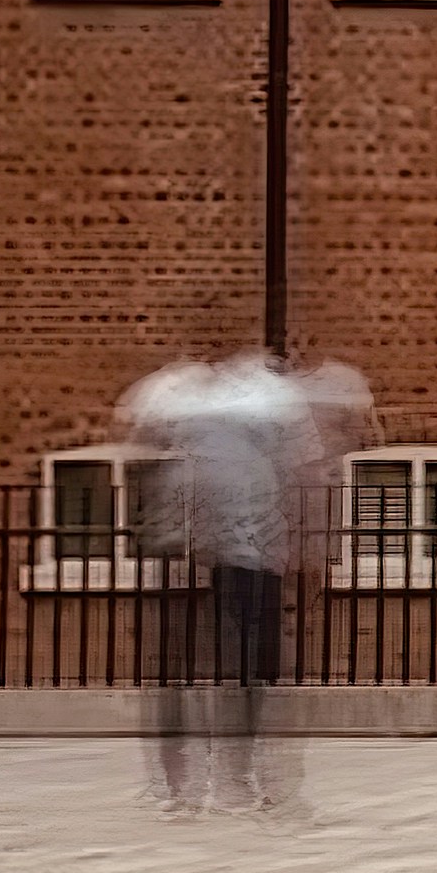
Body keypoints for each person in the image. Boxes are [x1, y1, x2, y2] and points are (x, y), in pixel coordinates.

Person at [122, 346, 329, 809]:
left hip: (229, 561)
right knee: (235, 673)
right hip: (229, 561)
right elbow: (300, 482)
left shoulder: (207, 428)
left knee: (217, 674)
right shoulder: (241, 428)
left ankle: (203, 784)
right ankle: (226, 780)